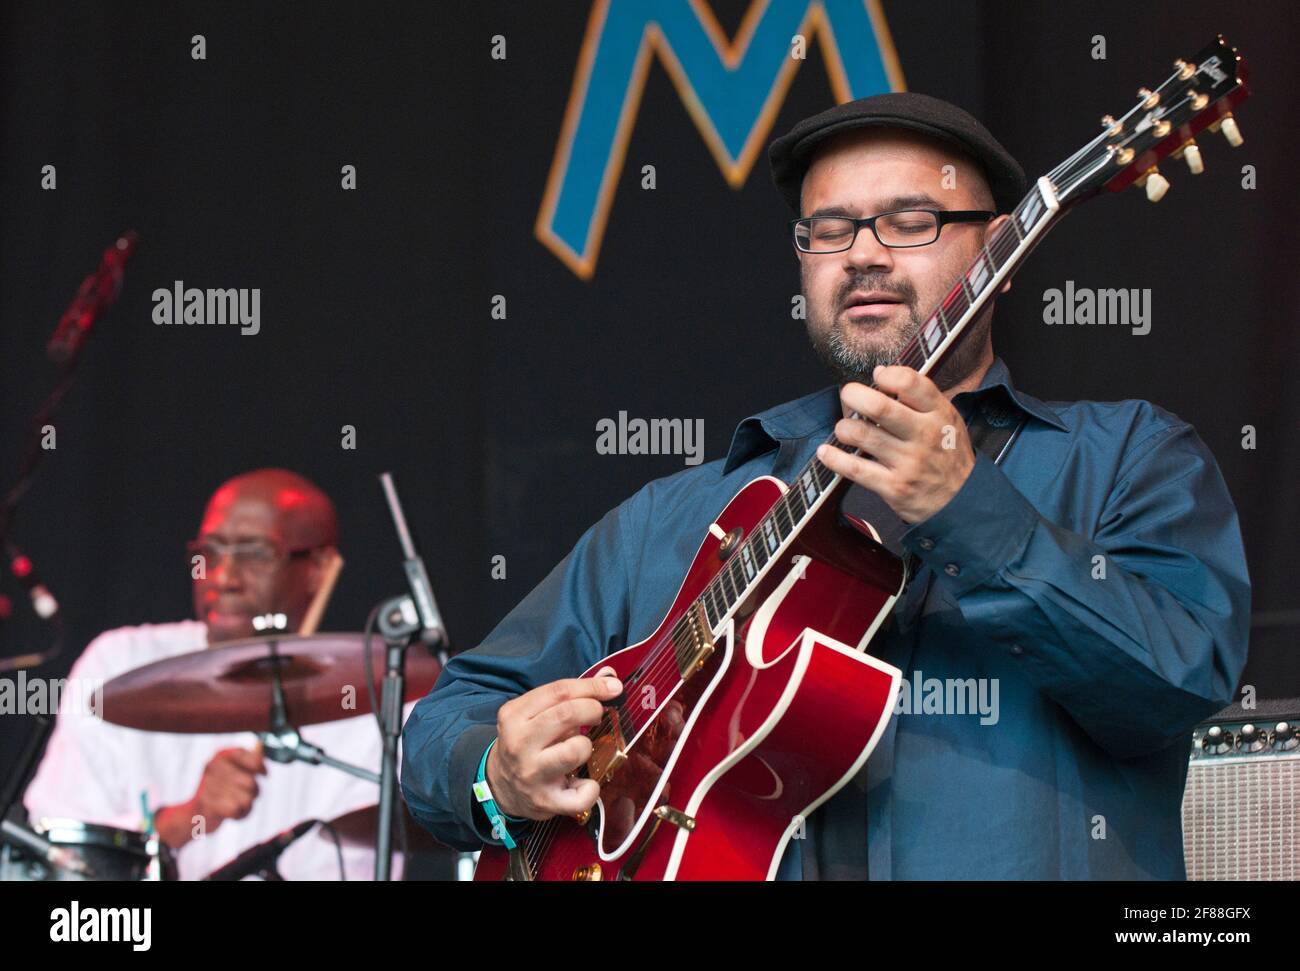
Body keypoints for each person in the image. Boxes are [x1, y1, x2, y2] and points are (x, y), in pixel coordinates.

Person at [401, 93, 1251, 879]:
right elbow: (441, 725)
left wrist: (970, 512)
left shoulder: (1128, 456)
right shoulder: (675, 515)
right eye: (830, 230)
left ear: (1004, 248)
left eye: (910, 221)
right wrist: (493, 774)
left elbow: (1177, 682)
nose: (865, 255)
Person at [25, 468, 394, 880]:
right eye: (210, 553)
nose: (223, 577)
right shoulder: (120, 665)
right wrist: (191, 817)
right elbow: (61, 857)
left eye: (256, 554)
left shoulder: (377, 701)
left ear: (319, 567)